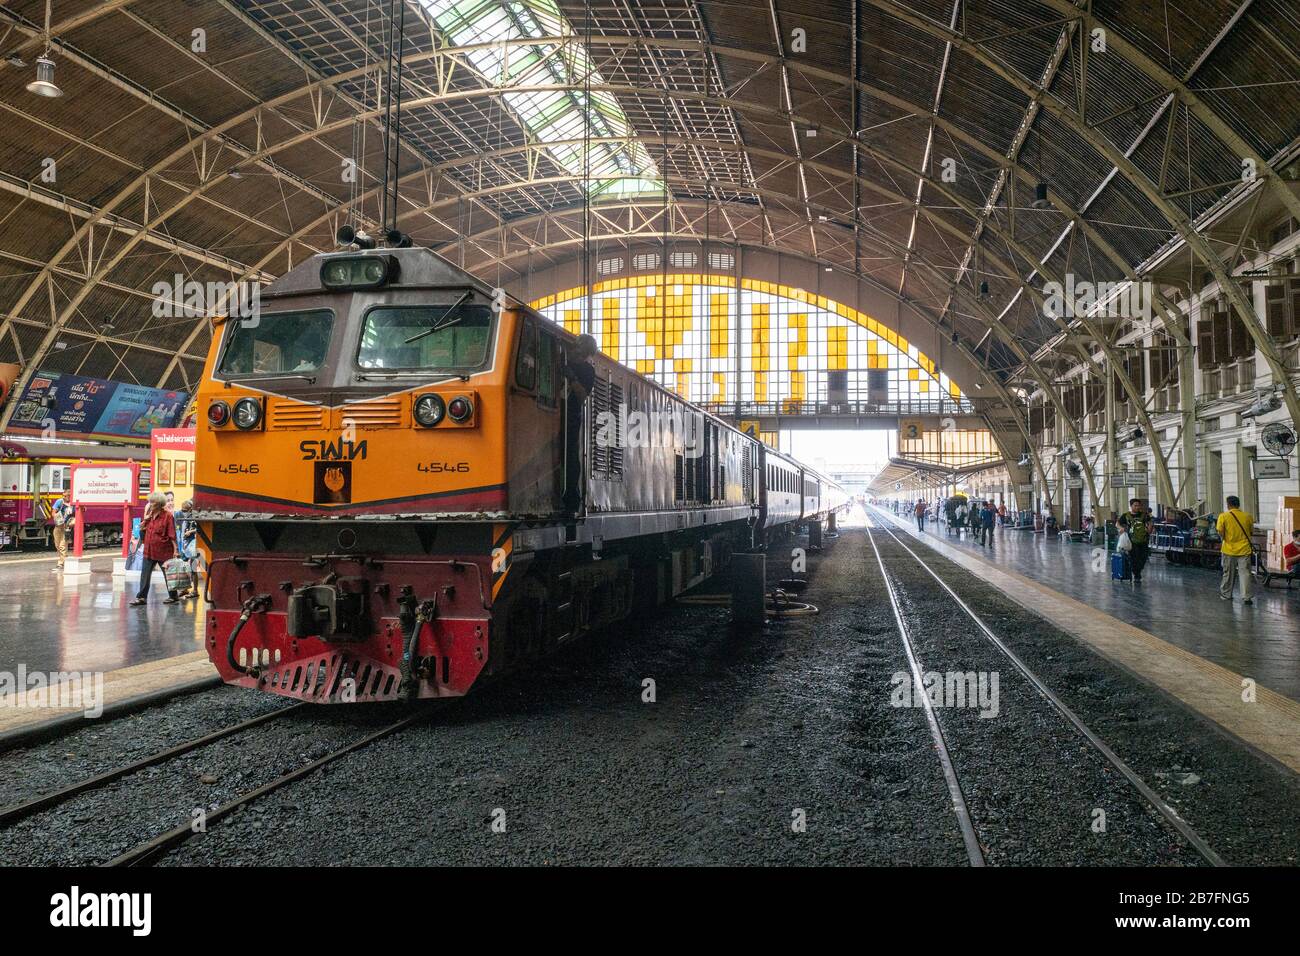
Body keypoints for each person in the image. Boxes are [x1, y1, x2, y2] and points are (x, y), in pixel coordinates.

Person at [561, 334, 597, 513]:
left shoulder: (588, 371)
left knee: (571, 454)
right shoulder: (564, 359)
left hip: (571, 415)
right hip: (561, 413)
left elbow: (583, 396)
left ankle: (571, 496)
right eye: (576, 346)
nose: (576, 349)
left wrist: (572, 378)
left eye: (580, 347)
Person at [130, 492, 179, 606]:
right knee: (145, 574)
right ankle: (141, 597)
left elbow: (172, 533)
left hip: (163, 550)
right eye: (150, 501)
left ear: (159, 503)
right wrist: (146, 519)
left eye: (153, 502)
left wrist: (176, 549)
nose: (150, 503)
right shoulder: (150, 515)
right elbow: (141, 529)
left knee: (168, 574)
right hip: (149, 549)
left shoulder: (167, 516)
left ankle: (173, 596)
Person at [1216, 495, 1255, 604]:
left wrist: (1226, 539)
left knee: (1228, 573)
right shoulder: (1247, 516)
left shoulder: (1223, 516)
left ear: (1228, 505)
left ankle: (1226, 594)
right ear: (1238, 504)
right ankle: (1246, 597)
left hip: (1229, 549)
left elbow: (1220, 531)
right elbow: (1251, 532)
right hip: (1244, 549)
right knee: (1245, 573)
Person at [1124, 498, 1153, 584]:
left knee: (1143, 557)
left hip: (1143, 540)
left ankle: (1137, 571)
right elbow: (1117, 523)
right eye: (1135, 505)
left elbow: (1150, 523)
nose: (1137, 507)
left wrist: (1150, 529)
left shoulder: (1144, 515)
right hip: (1132, 541)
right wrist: (1121, 528)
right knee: (1134, 558)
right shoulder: (1126, 516)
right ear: (1131, 506)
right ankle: (1136, 574)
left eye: (1138, 505)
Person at [176, 499, 200, 599]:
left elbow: (200, 528)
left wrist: (191, 532)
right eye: (182, 510)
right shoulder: (185, 518)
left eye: (185, 510)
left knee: (193, 569)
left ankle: (195, 590)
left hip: (193, 545)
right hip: (186, 545)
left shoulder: (195, 516)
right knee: (182, 567)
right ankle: (184, 588)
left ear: (191, 509)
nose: (183, 512)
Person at [50, 497, 72, 571]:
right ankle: (65, 560)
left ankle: (60, 563)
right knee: (57, 545)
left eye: (69, 495)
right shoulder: (59, 502)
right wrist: (57, 517)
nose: (67, 497)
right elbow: (53, 512)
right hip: (58, 526)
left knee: (62, 546)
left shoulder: (73, 503)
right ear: (64, 495)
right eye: (66, 496)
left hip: (67, 527)